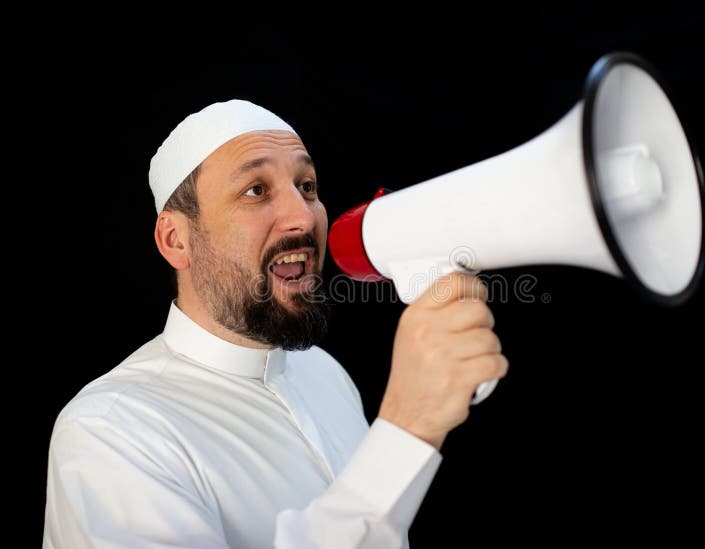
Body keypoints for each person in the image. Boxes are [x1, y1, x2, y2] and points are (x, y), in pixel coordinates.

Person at [42, 99, 507, 548]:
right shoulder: (110, 432)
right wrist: (408, 426)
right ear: (176, 240)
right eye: (256, 190)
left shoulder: (324, 373)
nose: (303, 216)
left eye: (307, 186)